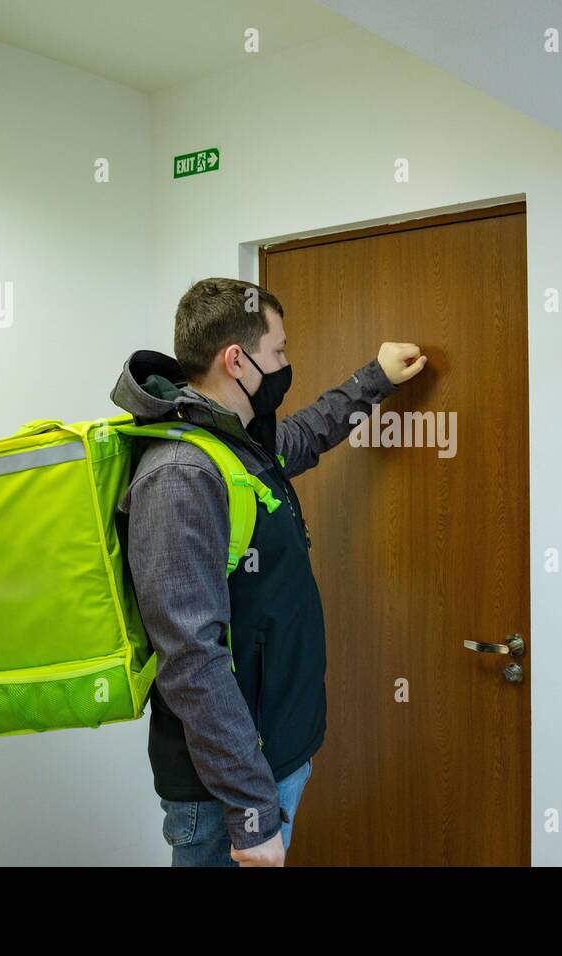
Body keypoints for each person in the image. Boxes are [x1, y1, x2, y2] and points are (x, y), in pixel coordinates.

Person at [110, 277, 427, 866]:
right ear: (237, 360)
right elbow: (191, 658)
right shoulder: (182, 472)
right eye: (278, 351)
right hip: (224, 795)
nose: (285, 364)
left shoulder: (237, 445)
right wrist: (251, 811)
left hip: (268, 761)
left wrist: (373, 379)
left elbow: (305, 434)